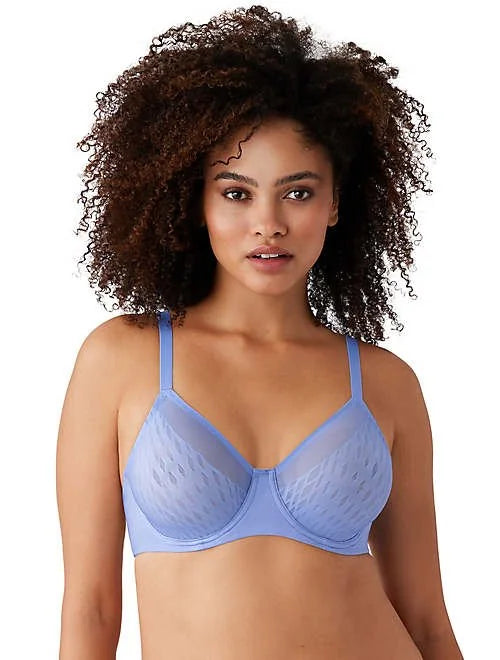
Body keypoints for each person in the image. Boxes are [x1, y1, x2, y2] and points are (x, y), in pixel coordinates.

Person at [56, 5, 463, 659]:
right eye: (237, 192)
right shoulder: (123, 359)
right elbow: (92, 610)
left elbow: (426, 617)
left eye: (298, 192)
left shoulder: (385, 382)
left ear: (335, 203)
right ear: (196, 201)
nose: (268, 223)